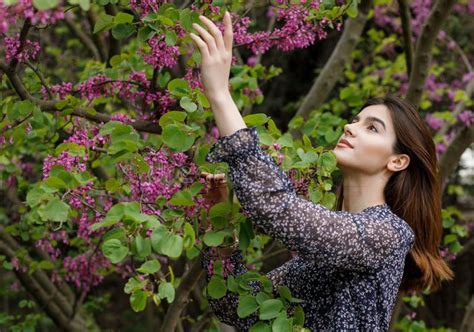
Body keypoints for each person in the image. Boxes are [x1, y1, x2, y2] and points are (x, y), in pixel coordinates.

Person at [190, 11, 454, 331]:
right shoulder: (319, 259)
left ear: (397, 161)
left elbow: (275, 208)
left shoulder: (387, 234)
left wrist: (220, 94)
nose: (350, 127)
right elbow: (235, 306)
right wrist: (220, 218)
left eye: (372, 128)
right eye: (355, 120)